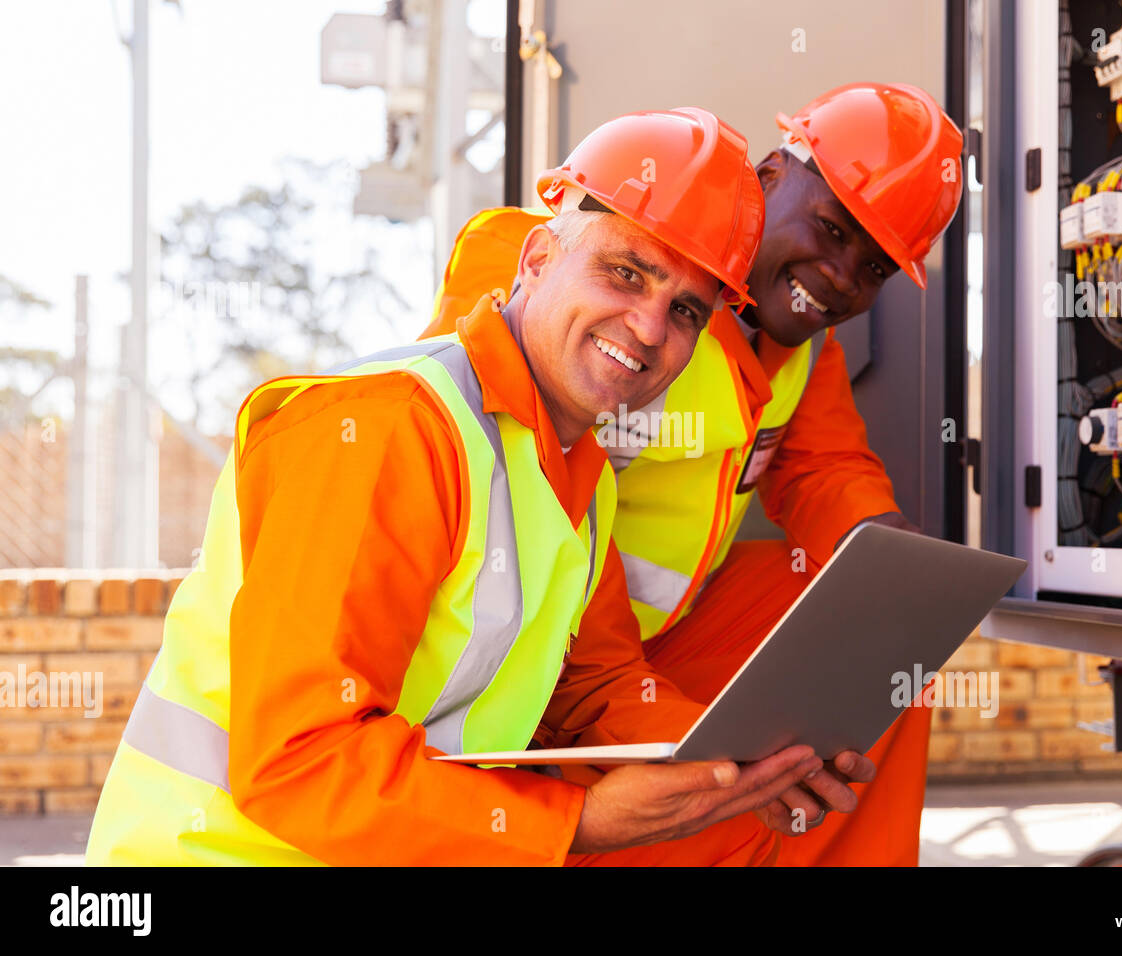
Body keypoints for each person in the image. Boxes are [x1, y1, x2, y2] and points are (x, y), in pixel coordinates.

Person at [85, 107, 874, 866]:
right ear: (536, 259)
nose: (647, 327)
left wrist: (738, 763)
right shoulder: (388, 429)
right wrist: (577, 824)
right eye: (625, 273)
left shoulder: (575, 472)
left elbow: (595, 684)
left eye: (685, 312)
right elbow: (301, 759)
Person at [424, 83, 965, 865]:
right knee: (707, 776)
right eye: (832, 227)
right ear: (773, 174)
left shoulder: (801, 350)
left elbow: (826, 473)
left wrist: (904, 582)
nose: (843, 276)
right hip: (538, 654)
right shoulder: (544, 266)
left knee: (879, 631)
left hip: (642, 650)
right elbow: (492, 463)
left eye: (874, 265)